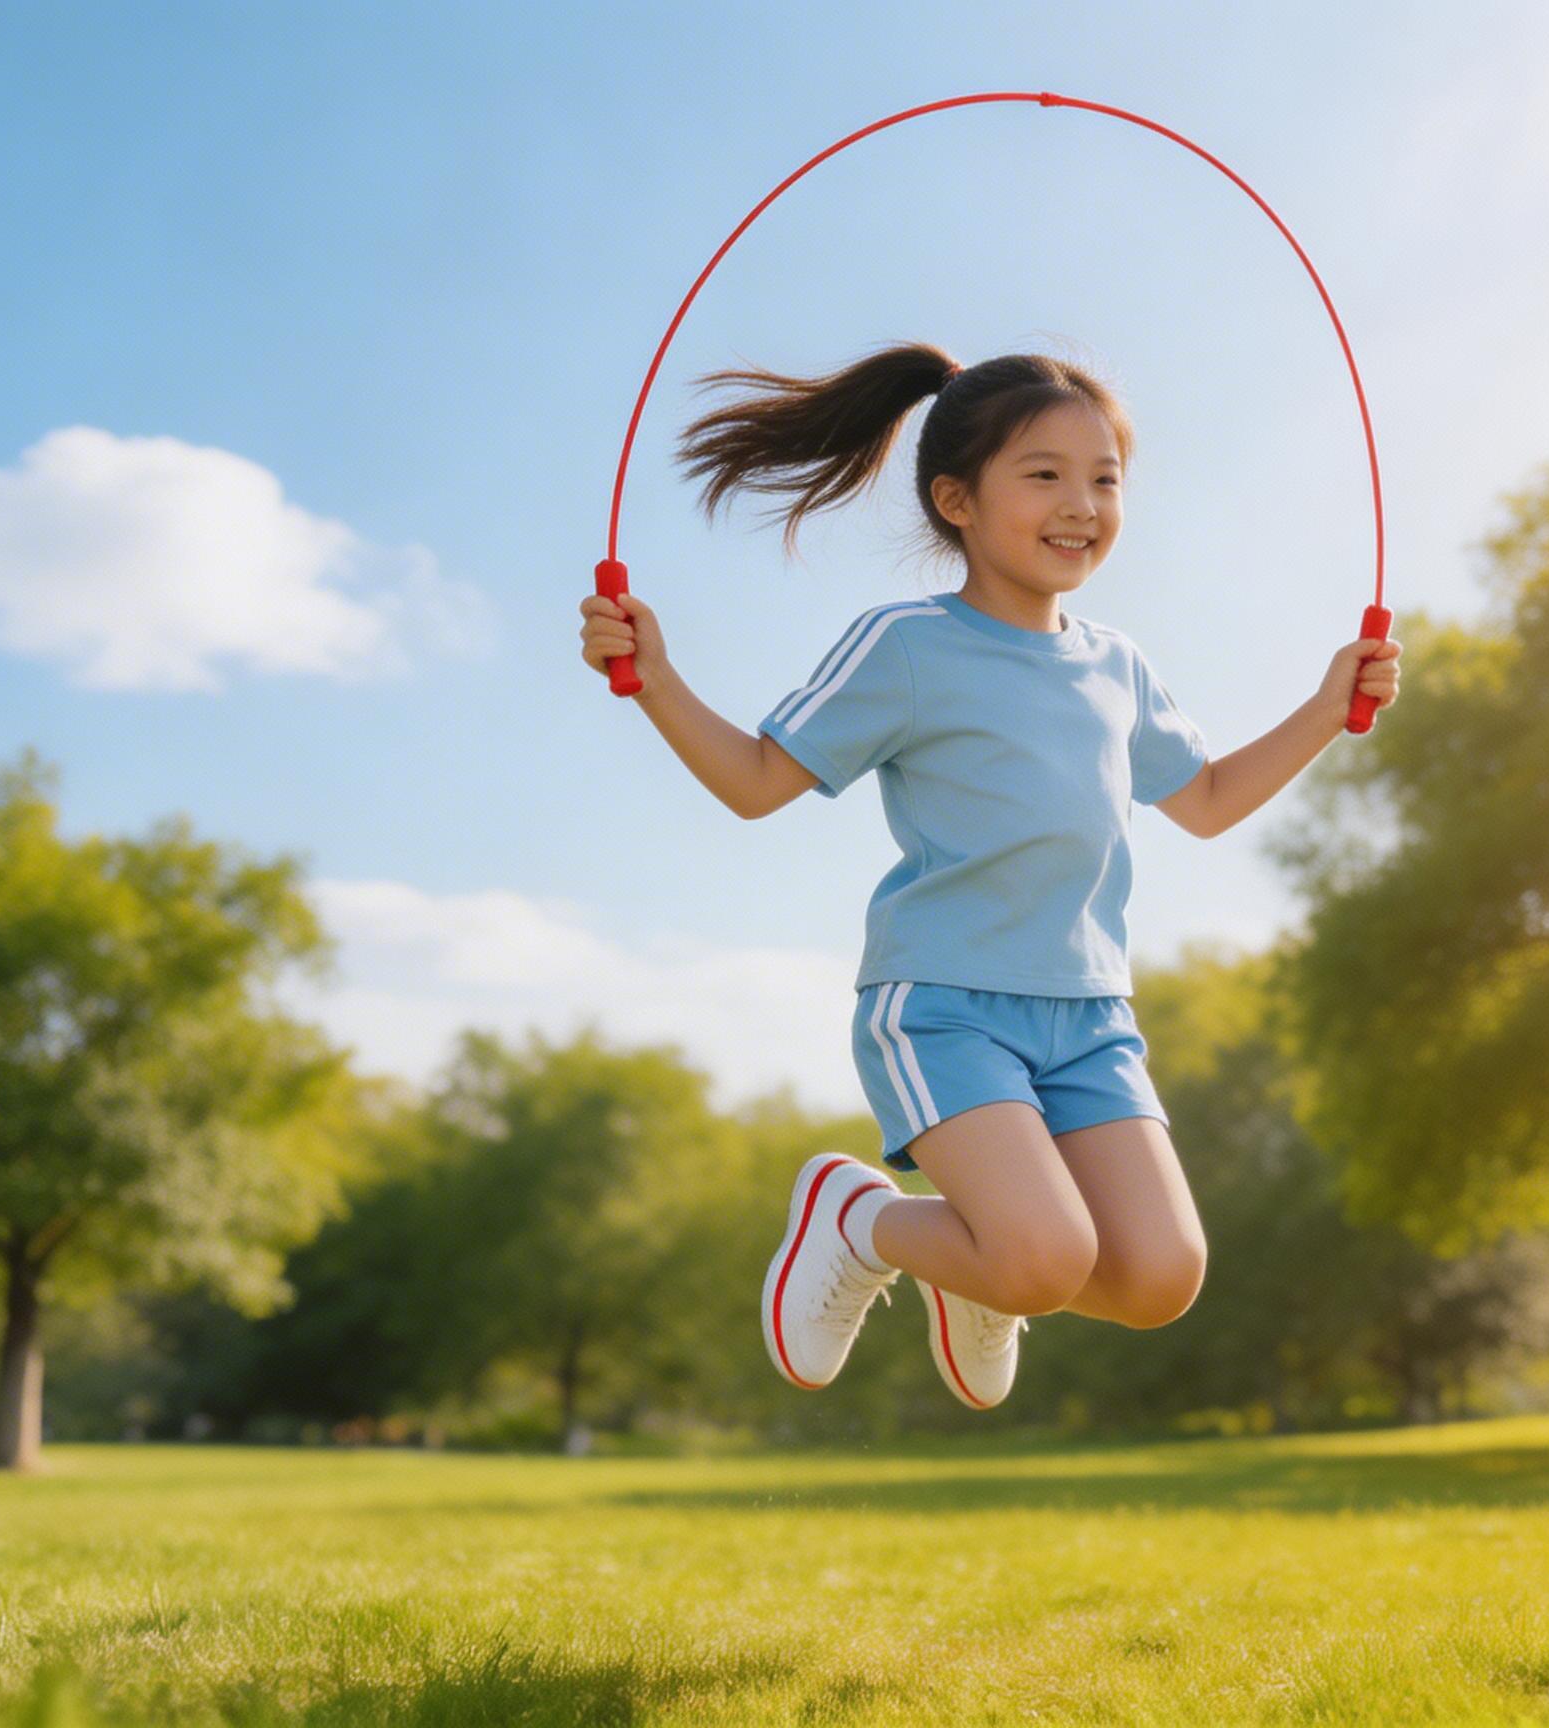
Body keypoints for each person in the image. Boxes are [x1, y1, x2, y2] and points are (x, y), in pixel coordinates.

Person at [578, 344, 1400, 1411]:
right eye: (1045, 474)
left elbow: (1204, 802)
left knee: (1159, 1279)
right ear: (955, 500)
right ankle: (858, 1220)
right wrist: (654, 677)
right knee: (1045, 1260)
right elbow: (756, 782)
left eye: (1105, 478)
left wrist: (1330, 710)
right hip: (945, 1011)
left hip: (1093, 1019)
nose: (1083, 504)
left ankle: (975, 1267)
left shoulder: (1118, 665)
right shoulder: (907, 647)